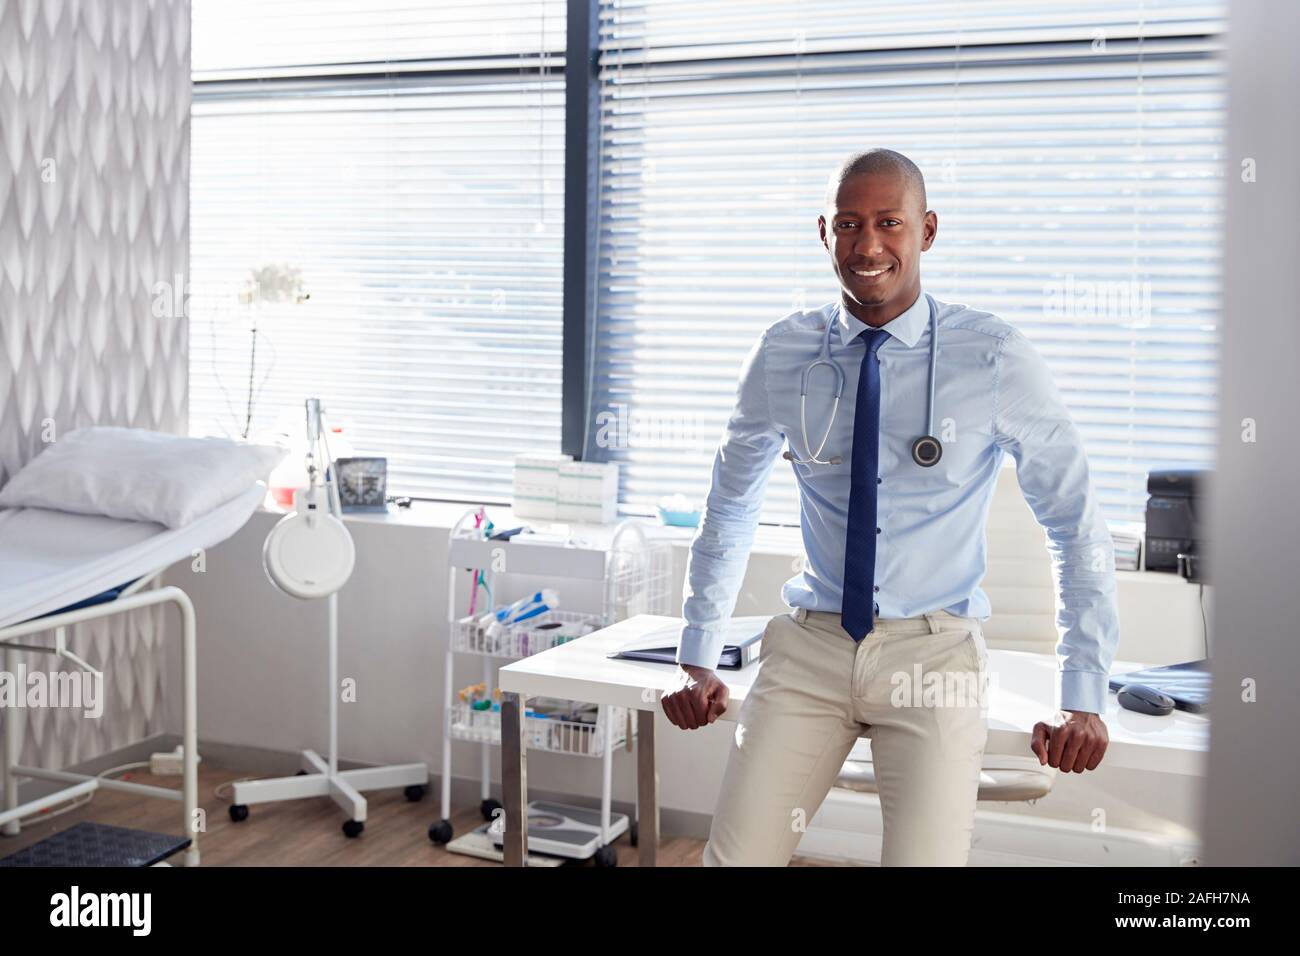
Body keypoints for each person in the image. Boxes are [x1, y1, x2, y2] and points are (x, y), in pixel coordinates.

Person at [660, 148, 1118, 866]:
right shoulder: (784, 352)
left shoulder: (992, 356)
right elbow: (728, 507)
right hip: (811, 645)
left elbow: (1076, 524)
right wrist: (695, 655)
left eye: (889, 223)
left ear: (927, 231)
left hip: (934, 652)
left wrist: (1082, 690)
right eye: (848, 224)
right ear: (824, 233)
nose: (867, 245)